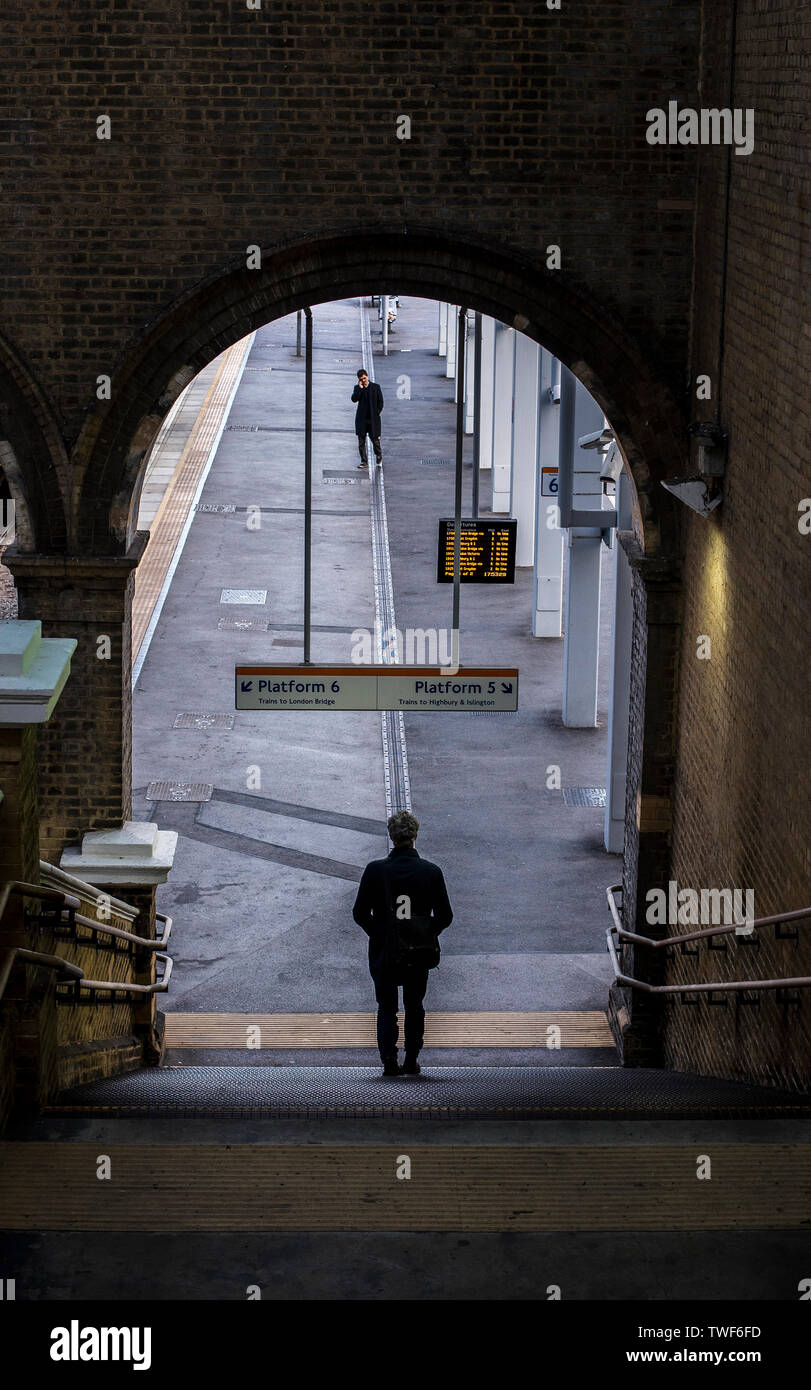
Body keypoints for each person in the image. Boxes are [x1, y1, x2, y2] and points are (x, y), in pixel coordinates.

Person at [353, 811, 453, 1077]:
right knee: (414, 1004)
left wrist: (380, 932)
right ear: (415, 836)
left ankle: (388, 1060)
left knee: (386, 1005)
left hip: (385, 950)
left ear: (391, 837)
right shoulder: (431, 872)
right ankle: (411, 1058)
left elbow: (359, 913)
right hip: (417, 951)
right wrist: (425, 931)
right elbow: (445, 916)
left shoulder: (375, 871)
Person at [351, 368, 384, 469]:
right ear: (359, 380)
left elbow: (380, 402)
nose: (364, 380)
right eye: (361, 379)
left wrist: (376, 413)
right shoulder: (357, 388)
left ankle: (379, 455)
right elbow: (354, 399)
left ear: (367, 376)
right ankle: (364, 461)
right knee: (361, 442)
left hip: (373, 419)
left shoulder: (375, 387)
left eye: (364, 378)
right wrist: (360, 389)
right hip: (362, 420)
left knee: (375, 440)